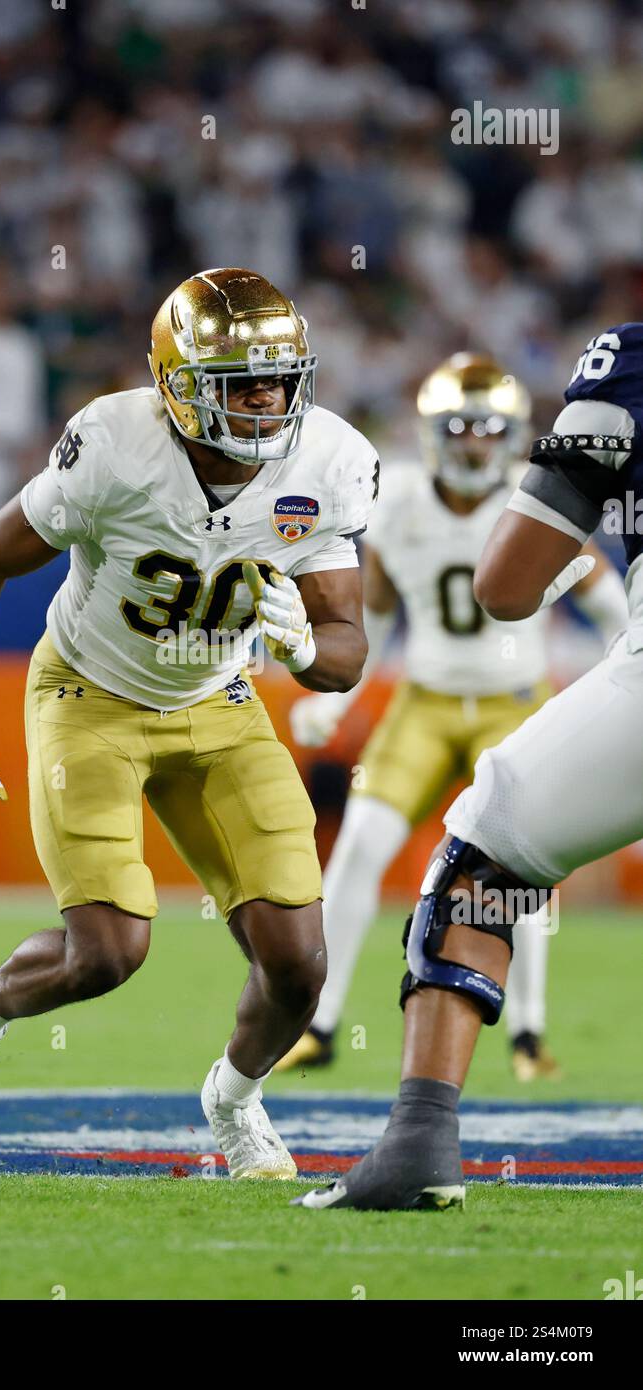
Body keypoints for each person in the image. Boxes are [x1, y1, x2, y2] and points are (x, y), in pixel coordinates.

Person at [0, 267, 379, 1178]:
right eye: (243, 384)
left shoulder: (327, 460)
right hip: (91, 697)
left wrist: (307, 650)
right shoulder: (115, 443)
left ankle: (234, 1101)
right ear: (179, 386)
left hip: (221, 706)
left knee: (299, 964)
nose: (268, 402)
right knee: (109, 952)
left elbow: (349, 647)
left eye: (281, 380)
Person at [295, 323, 643, 1211]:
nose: (476, 444)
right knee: (368, 842)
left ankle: (440, 1119)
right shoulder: (403, 501)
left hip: (509, 693)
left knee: (490, 859)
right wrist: (339, 701)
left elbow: (510, 588)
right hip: (425, 697)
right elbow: (375, 617)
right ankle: (321, 1019)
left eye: (489, 429)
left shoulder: (623, 368)